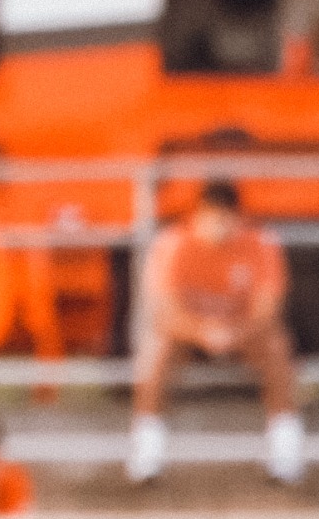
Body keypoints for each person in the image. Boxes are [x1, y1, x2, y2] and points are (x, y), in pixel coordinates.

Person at [129, 177, 306, 486]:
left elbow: (268, 310)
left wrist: (231, 334)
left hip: (242, 333)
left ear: (238, 218)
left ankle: (285, 453)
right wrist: (204, 332)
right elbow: (165, 312)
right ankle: (146, 453)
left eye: (226, 217)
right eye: (211, 216)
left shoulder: (261, 243)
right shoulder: (172, 244)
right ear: (197, 215)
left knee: (278, 347)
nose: (218, 226)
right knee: (155, 350)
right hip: (189, 334)